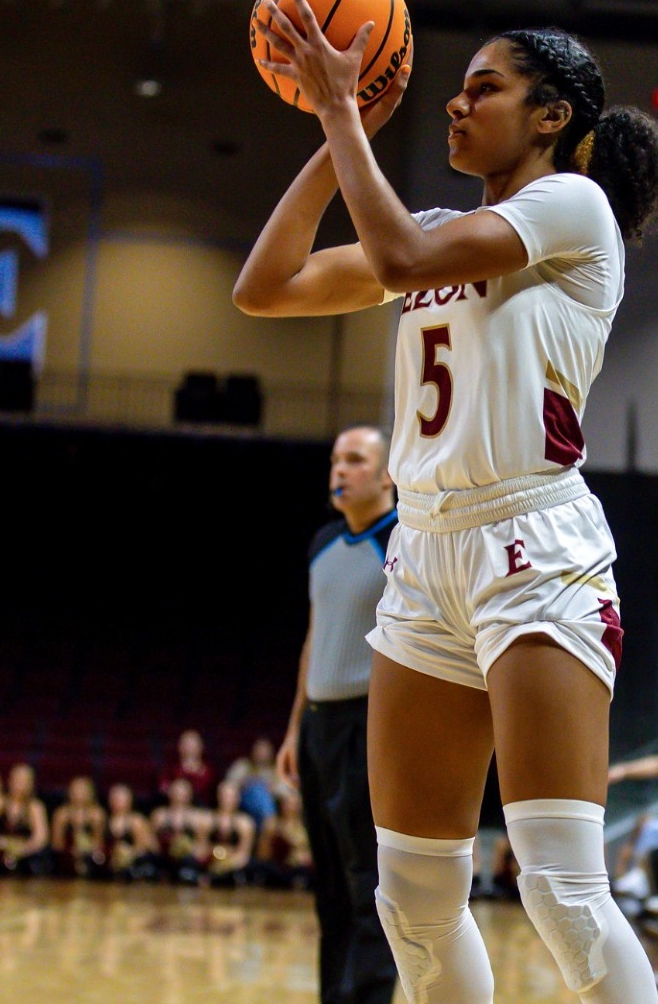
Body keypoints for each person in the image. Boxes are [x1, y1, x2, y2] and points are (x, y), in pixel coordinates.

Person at [241, 0, 658, 1003]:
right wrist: (329, 127)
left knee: (561, 888)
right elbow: (265, 288)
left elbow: (398, 259)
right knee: (411, 897)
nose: (454, 104)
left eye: (485, 87)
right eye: (455, 86)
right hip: (427, 554)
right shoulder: (441, 227)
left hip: (536, 547)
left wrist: (348, 114)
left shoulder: (574, 209)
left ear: (552, 116)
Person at [273, 423, 399, 1004]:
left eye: (354, 460)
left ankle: (369, 995)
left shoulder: (404, 540)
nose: (340, 470)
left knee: (367, 881)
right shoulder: (323, 542)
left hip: (369, 726)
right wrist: (295, 727)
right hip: (319, 725)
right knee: (328, 884)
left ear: (386, 475)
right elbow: (314, 637)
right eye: (335, 460)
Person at [0, 763, 50, 876]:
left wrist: (22, 850)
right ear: (10, 780)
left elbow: (40, 837)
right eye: (17, 780)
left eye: (24, 781)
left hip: (24, 856)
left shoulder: (35, 807)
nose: (19, 785)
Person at [151, 776, 211, 885]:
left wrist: (187, 848)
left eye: (183, 790)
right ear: (169, 792)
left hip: (188, 861)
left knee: (188, 868)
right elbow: (150, 842)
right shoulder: (159, 815)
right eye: (176, 790)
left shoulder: (200, 817)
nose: (179, 794)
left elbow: (203, 847)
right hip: (164, 859)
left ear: (190, 794)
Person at [97, 783, 159, 882]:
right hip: (111, 866)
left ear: (130, 799)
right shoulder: (104, 820)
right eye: (114, 796)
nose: (116, 800)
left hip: (133, 865)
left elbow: (143, 849)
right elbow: (99, 845)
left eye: (120, 797)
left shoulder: (136, 820)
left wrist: (128, 853)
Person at [52, 775, 107, 878]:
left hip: (90, 855)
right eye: (76, 789)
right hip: (66, 856)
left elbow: (99, 842)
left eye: (83, 789)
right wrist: (71, 852)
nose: (79, 793)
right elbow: (57, 843)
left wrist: (85, 850)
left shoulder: (97, 814)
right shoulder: (61, 814)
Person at [162, 730, 218, 808]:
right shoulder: (170, 771)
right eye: (187, 745)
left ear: (201, 747)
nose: (190, 749)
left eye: (194, 745)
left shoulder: (211, 773)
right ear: (180, 747)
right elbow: (163, 791)